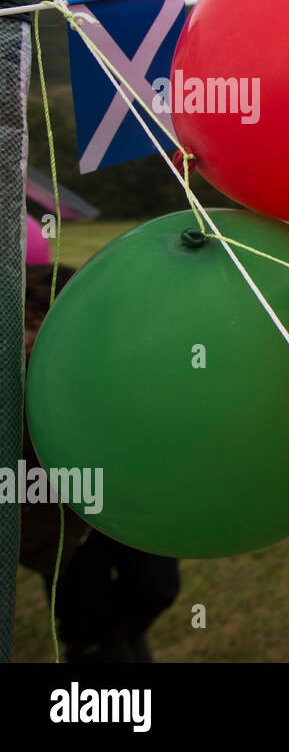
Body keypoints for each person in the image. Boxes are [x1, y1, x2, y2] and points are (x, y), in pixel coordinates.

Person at [20, 264, 181, 662]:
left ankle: (127, 635)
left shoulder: (62, 289)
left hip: (126, 491)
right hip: (54, 513)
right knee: (88, 629)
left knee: (157, 588)